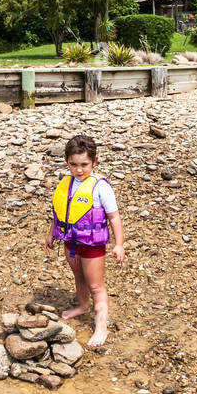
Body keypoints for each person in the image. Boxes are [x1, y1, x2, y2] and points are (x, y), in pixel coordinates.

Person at [42, 134, 124, 350]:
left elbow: (114, 216)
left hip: (92, 245)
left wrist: (119, 244)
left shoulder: (100, 187)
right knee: (78, 276)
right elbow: (58, 212)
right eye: (73, 165)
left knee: (96, 286)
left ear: (94, 162)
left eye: (84, 165)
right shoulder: (65, 183)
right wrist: (51, 233)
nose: (79, 170)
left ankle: (101, 327)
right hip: (71, 241)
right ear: (67, 162)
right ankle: (83, 306)